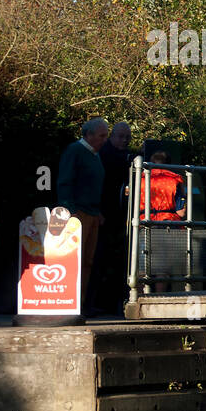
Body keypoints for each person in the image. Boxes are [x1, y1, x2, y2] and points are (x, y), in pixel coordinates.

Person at [57, 118, 109, 315]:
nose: (105, 140)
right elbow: (65, 181)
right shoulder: (75, 151)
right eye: (101, 136)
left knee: (88, 260)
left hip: (92, 213)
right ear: (88, 135)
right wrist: (69, 210)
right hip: (77, 213)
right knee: (75, 259)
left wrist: (98, 212)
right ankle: (69, 302)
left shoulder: (95, 155)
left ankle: (81, 302)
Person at [96, 122, 133, 313]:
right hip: (104, 214)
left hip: (120, 217)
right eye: (120, 137)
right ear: (112, 136)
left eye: (127, 138)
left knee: (118, 261)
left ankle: (113, 302)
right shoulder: (104, 155)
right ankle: (100, 303)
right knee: (101, 259)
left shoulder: (126, 155)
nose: (124, 141)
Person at [136, 152, 185, 293]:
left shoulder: (141, 178)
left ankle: (139, 297)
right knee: (162, 268)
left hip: (144, 223)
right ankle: (158, 297)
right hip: (166, 225)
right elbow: (181, 212)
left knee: (142, 266)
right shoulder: (174, 180)